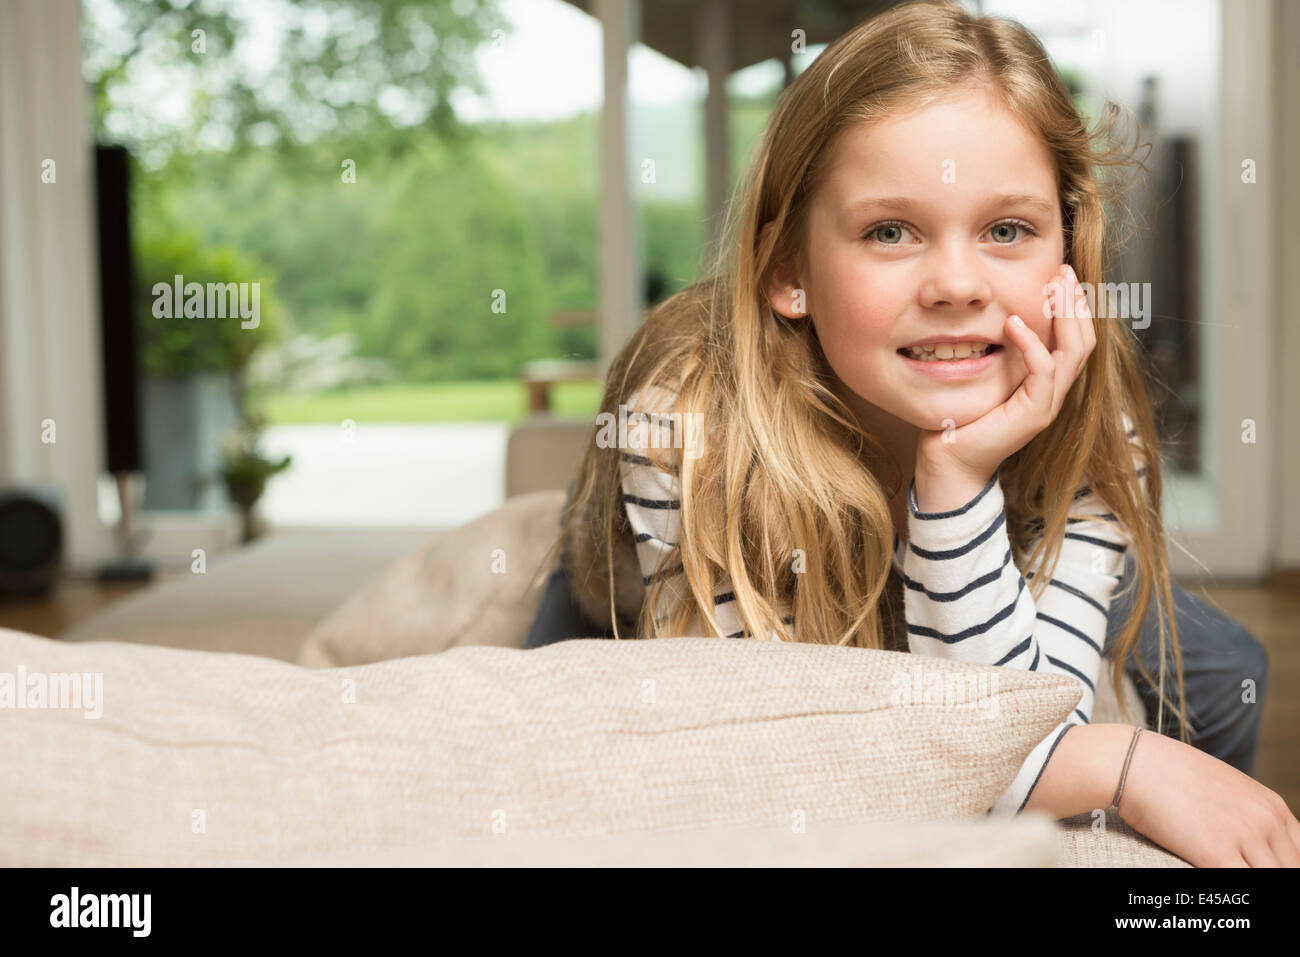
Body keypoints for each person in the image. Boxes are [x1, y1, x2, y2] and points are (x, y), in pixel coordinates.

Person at [526, 0, 1296, 867]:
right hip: (657, 587)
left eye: (1008, 230)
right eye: (890, 230)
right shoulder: (684, 420)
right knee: (562, 767)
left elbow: (1028, 734)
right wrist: (1123, 758)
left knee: (1224, 671)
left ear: (1070, 261)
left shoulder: (1089, 420)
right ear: (791, 273)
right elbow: (763, 754)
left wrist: (957, 483)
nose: (957, 282)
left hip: (979, 560)